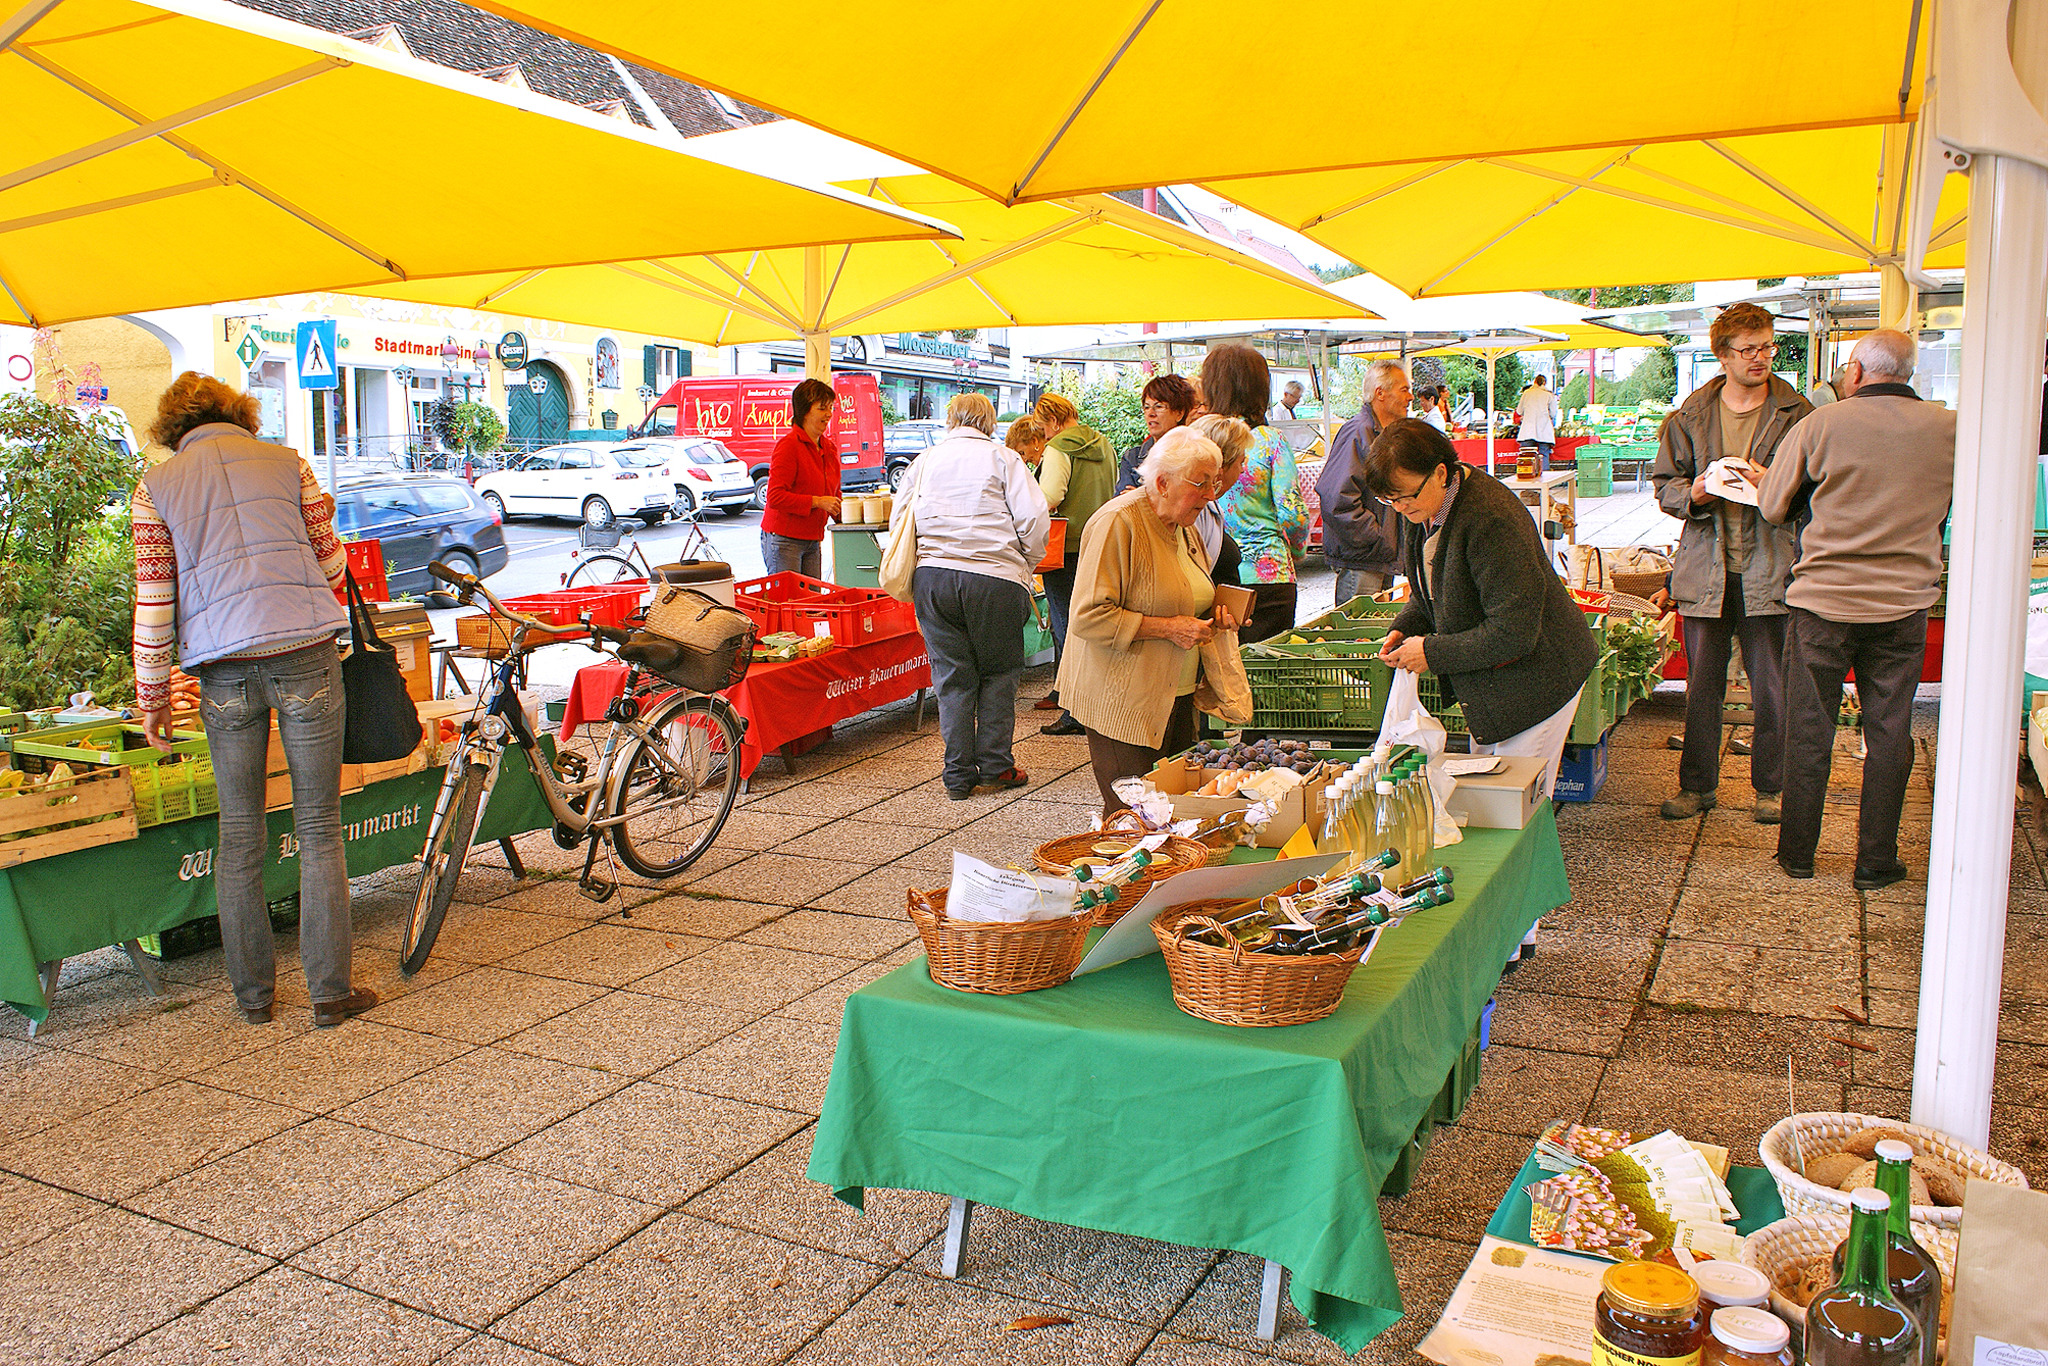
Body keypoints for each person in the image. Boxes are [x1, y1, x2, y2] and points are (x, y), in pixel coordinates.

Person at [133, 373, 373, 1028]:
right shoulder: (288, 463)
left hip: (223, 670)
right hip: (304, 652)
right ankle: (330, 993)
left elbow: (155, 599)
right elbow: (333, 566)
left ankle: (254, 998)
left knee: (239, 832)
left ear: (171, 430)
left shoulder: (155, 488)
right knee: (318, 825)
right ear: (240, 414)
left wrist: (153, 695)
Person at [1755, 330, 1953, 887]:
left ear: (1858, 372)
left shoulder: (1820, 424)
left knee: (1809, 729)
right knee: (1890, 732)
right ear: (1907, 373)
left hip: (1822, 605)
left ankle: (1797, 854)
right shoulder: (1952, 428)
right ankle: (1875, 861)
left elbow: (1772, 507)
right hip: (1903, 606)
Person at [1368, 420, 1597, 797]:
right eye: (1389, 500)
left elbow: (1514, 632)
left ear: (1440, 473)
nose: (1399, 507)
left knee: (1513, 801)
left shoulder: (1491, 520)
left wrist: (1430, 652)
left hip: (1538, 680)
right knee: (1485, 792)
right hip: (1492, 682)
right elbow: (1433, 587)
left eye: (1405, 496)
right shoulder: (1424, 507)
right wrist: (1406, 625)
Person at [1650, 301, 1813, 824]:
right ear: (1723, 355)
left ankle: (1772, 788)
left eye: (1767, 347)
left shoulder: (1798, 413)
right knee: (1701, 688)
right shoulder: (1691, 414)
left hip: (1772, 569)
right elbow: (1664, 486)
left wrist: (1776, 485)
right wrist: (1694, 493)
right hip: (1706, 570)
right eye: (1747, 350)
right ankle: (1696, 786)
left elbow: (1817, 489)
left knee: (1773, 689)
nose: (1760, 357)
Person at [1059, 428, 1240, 811]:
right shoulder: (1118, 522)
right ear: (1162, 483)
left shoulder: (1183, 524)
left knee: (1171, 811)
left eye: (1215, 482)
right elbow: (1088, 617)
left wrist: (1214, 617)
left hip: (1176, 694)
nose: (1211, 494)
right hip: (1122, 698)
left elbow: (1182, 594)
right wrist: (1170, 629)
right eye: (1201, 483)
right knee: (1133, 815)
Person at [894, 394, 1051, 801]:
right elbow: (1034, 520)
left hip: (934, 578)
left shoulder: (924, 461)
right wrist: (1024, 562)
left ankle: (957, 776)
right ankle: (996, 767)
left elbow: (900, 519)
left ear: (951, 421)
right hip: (995, 580)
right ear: (990, 423)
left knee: (952, 678)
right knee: (998, 673)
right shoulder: (1005, 459)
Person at [1207, 345, 1310, 641]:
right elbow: (1292, 513)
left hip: (1212, 574)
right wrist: (1297, 551)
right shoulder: (1270, 440)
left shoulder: (1200, 438)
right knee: (1269, 664)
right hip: (1268, 575)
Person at [1033, 392, 1118, 737]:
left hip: (1065, 548)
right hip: (1101, 542)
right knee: (1094, 623)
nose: (1044, 435)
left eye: (1044, 428)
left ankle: (1075, 712)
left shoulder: (1058, 448)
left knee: (1067, 625)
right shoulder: (1104, 444)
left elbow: (1049, 497)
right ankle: (1097, 704)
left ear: (1053, 421)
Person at [1317, 358, 1409, 604]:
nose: (1410, 397)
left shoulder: (1380, 433)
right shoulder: (1358, 432)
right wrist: (1376, 537)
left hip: (1377, 557)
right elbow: (1336, 497)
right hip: (1363, 559)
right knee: (1359, 624)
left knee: (1376, 625)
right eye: (1404, 390)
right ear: (1380, 393)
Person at [760, 378, 841, 577]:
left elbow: (834, 494)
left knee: (811, 595)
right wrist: (817, 502)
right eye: (822, 408)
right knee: (789, 596)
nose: (829, 414)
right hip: (784, 540)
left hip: (813, 539)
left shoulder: (829, 448)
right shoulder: (789, 446)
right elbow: (775, 497)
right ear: (804, 410)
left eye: (830, 408)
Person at [1190, 413, 1250, 586]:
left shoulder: (1210, 505)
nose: (1242, 470)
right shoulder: (1194, 509)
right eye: (1240, 462)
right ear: (1222, 464)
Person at [1115, 374, 1197, 494]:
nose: (1151, 413)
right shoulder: (1132, 458)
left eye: (1159, 406)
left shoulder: (1193, 455)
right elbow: (1122, 501)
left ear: (1179, 413)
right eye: (1146, 407)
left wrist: (1140, 496)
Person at [1513, 375, 1560, 469]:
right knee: (1544, 455)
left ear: (1534, 382)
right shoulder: (1548, 395)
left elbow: (1519, 411)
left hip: (1528, 430)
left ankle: (1527, 476)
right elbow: (1553, 413)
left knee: (1526, 457)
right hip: (1544, 429)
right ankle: (1545, 476)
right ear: (1544, 383)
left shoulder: (1526, 393)